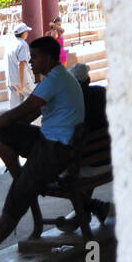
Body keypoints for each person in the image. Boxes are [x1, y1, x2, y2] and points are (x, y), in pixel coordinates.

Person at [0, 36, 84, 262]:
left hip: (55, 150)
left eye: (35, 56)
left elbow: (22, 110)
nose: (30, 61)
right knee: (2, 130)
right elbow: (28, 115)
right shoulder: (59, 78)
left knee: (15, 203)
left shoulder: (54, 80)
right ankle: (23, 182)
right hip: (54, 144)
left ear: (49, 59)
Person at [52, 63, 110, 232]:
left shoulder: (69, 105)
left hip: (86, 167)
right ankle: (87, 210)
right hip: (108, 161)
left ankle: (91, 207)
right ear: (89, 80)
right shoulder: (102, 93)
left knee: (57, 173)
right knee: (78, 162)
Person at [5, 22, 35, 107]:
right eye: (26, 32)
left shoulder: (10, 44)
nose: (27, 34)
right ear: (23, 33)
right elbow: (21, 64)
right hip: (21, 80)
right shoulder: (22, 44)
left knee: (14, 107)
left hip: (11, 80)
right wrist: (21, 83)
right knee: (34, 99)